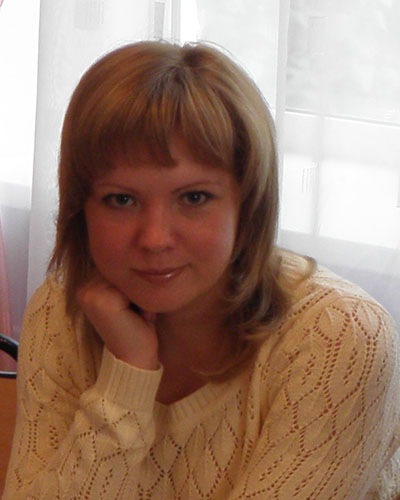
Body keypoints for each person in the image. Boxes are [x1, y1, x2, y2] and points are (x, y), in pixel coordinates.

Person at [3, 40, 400, 499]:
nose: (154, 238)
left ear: (247, 205)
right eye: (121, 199)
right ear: (81, 208)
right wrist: (125, 379)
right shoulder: (62, 311)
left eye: (194, 198)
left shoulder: (339, 336)